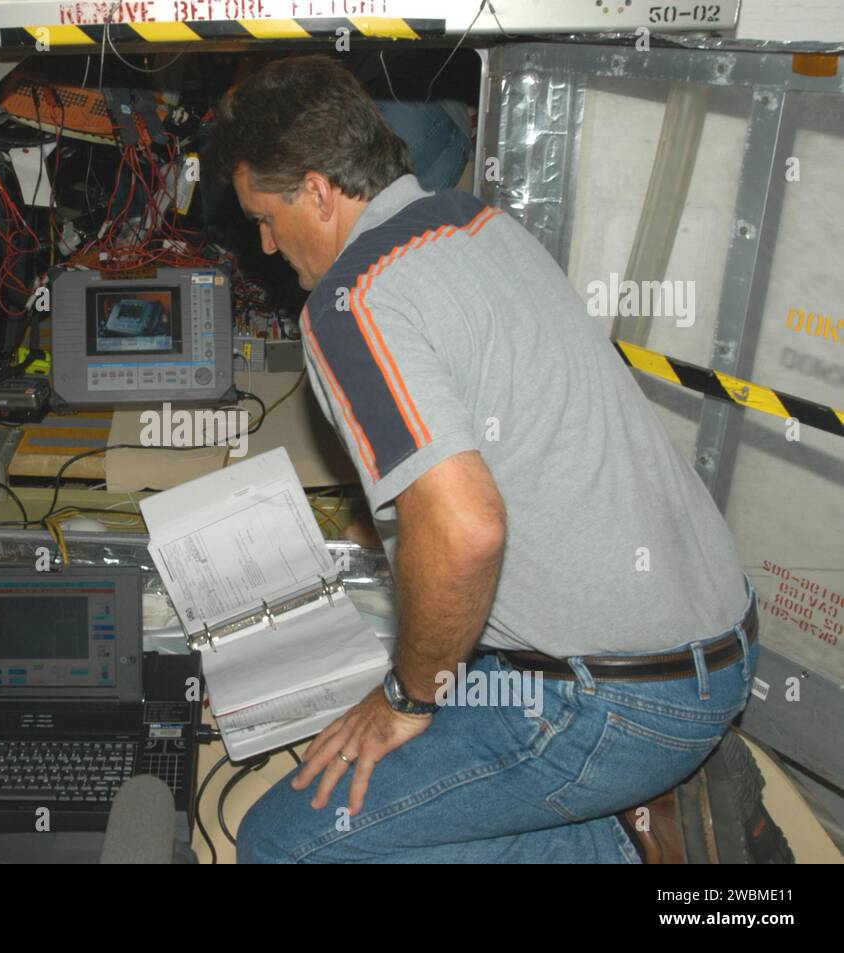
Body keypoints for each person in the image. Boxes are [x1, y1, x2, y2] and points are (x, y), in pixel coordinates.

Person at [207, 55, 758, 864]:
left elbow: (467, 531)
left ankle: (627, 843)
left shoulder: (350, 302)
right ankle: (649, 817)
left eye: (264, 214)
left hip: (622, 705)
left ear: (320, 191)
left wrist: (406, 697)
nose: (263, 240)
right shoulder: (478, 222)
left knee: (285, 842)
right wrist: (396, 526)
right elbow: (520, 434)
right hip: (723, 644)